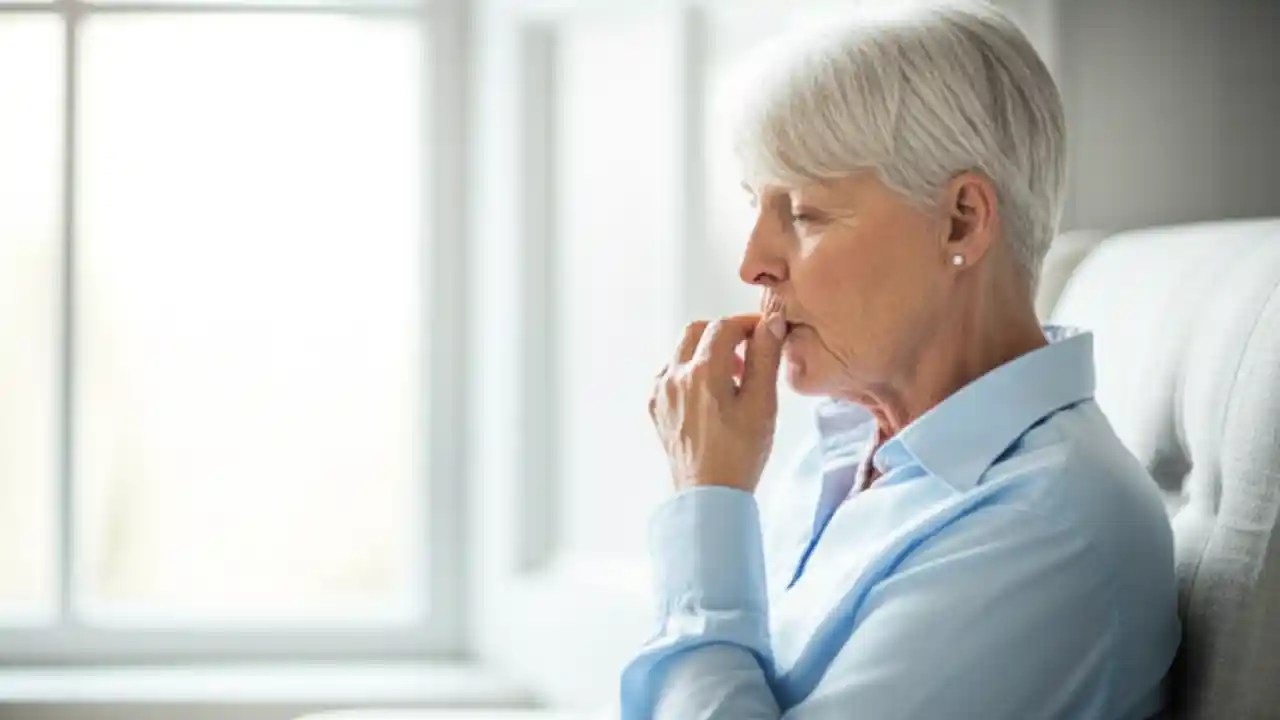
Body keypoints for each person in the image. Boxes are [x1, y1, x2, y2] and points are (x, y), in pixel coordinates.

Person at [622, 2, 1181, 717]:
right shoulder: (837, 451)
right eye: (755, 207)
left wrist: (706, 503)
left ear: (962, 221)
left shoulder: (1045, 528)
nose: (753, 263)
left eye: (802, 212)